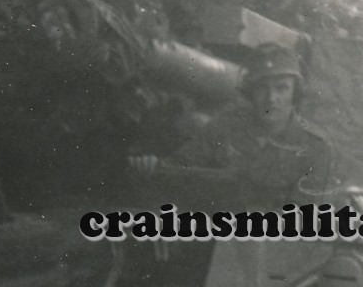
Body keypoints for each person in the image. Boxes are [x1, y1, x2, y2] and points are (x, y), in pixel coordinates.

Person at [130, 43, 333, 204]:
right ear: (251, 93)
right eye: (262, 89)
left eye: (282, 88)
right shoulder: (223, 128)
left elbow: (303, 215)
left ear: (294, 93)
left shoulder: (314, 146)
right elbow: (181, 169)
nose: (271, 98)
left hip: (274, 246)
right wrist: (154, 167)